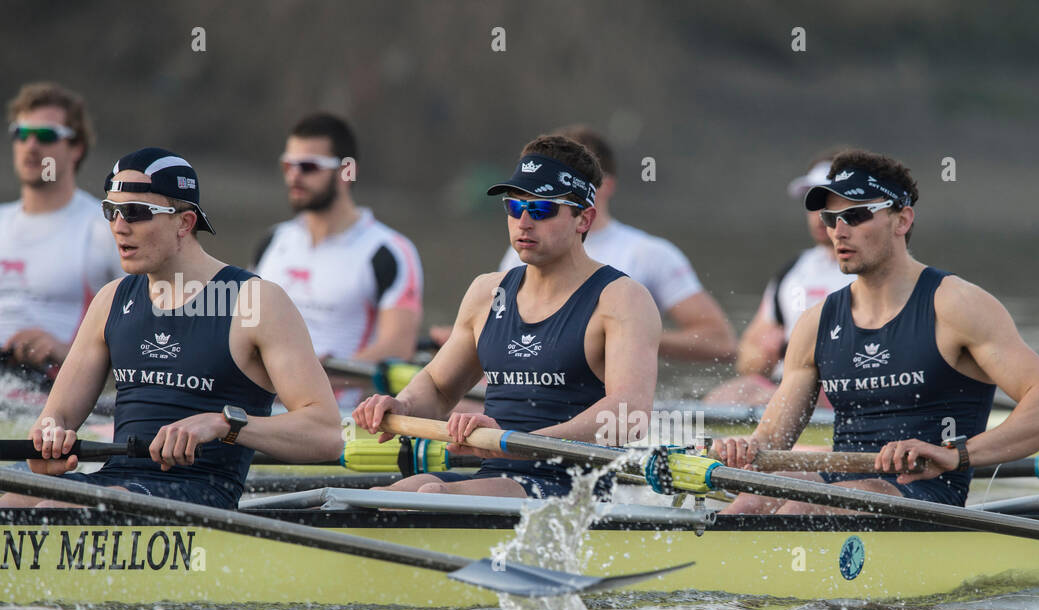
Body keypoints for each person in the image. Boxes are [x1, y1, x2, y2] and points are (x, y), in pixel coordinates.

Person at [713, 148, 1039, 514]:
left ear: (901, 221)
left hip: (926, 499)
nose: (838, 231)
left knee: (799, 509)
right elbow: (771, 442)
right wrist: (743, 449)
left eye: (855, 216)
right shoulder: (816, 323)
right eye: (830, 217)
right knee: (751, 500)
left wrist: (956, 454)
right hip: (839, 487)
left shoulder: (956, 305)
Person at [0, 148, 343, 509]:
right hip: (113, 483)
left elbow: (326, 432)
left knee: (58, 509)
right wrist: (49, 438)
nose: (119, 226)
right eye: (111, 211)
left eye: (135, 212)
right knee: (10, 506)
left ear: (184, 222)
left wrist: (225, 425)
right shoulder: (111, 300)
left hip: (201, 496)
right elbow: (58, 416)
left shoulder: (256, 301)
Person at [352, 135, 660, 499]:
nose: (524, 222)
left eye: (542, 210)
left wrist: (516, 442)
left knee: (429, 495)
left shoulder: (622, 299)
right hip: (497, 475)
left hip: (575, 490)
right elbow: (438, 386)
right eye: (514, 206)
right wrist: (400, 405)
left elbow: (630, 415)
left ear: (584, 218)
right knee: (375, 498)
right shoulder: (487, 292)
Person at [482, 125, 734, 365]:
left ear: (606, 185)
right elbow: (495, 330)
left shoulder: (650, 253)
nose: (525, 219)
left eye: (545, 204)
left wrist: (624, 336)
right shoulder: (527, 247)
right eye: (515, 205)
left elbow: (723, 343)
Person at [253, 113, 421, 365]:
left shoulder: (389, 251)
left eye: (309, 166)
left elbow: (398, 347)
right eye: (288, 165)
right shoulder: (272, 240)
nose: (294, 176)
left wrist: (307, 380)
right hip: (264, 401)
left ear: (346, 171)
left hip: (340, 403)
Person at [705, 154, 852, 407]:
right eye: (813, 201)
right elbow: (747, 355)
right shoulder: (793, 270)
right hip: (783, 388)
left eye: (829, 202)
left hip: (842, 392)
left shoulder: (870, 269)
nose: (818, 215)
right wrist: (761, 356)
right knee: (718, 400)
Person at [0, 82, 120, 372]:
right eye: (22, 133)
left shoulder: (105, 228)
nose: (31, 146)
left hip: (54, 394)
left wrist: (70, 352)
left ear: (76, 148)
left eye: (45, 136)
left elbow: (148, 328)